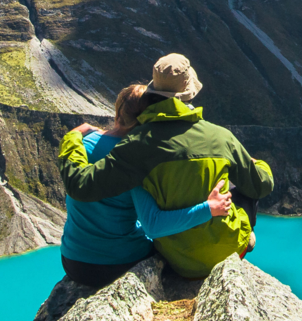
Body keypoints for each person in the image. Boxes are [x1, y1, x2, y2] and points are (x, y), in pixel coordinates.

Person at [58, 54, 275, 279]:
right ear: (190, 91)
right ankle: (242, 238)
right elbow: (261, 185)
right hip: (219, 250)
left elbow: (82, 186)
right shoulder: (222, 136)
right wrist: (257, 165)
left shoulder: (138, 144)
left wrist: (72, 137)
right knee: (247, 190)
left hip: (167, 259)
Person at [59, 84, 232, 288]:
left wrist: (79, 131)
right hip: (115, 265)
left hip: (72, 262)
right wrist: (209, 208)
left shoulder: (85, 141)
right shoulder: (136, 158)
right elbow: (154, 224)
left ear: (118, 112)